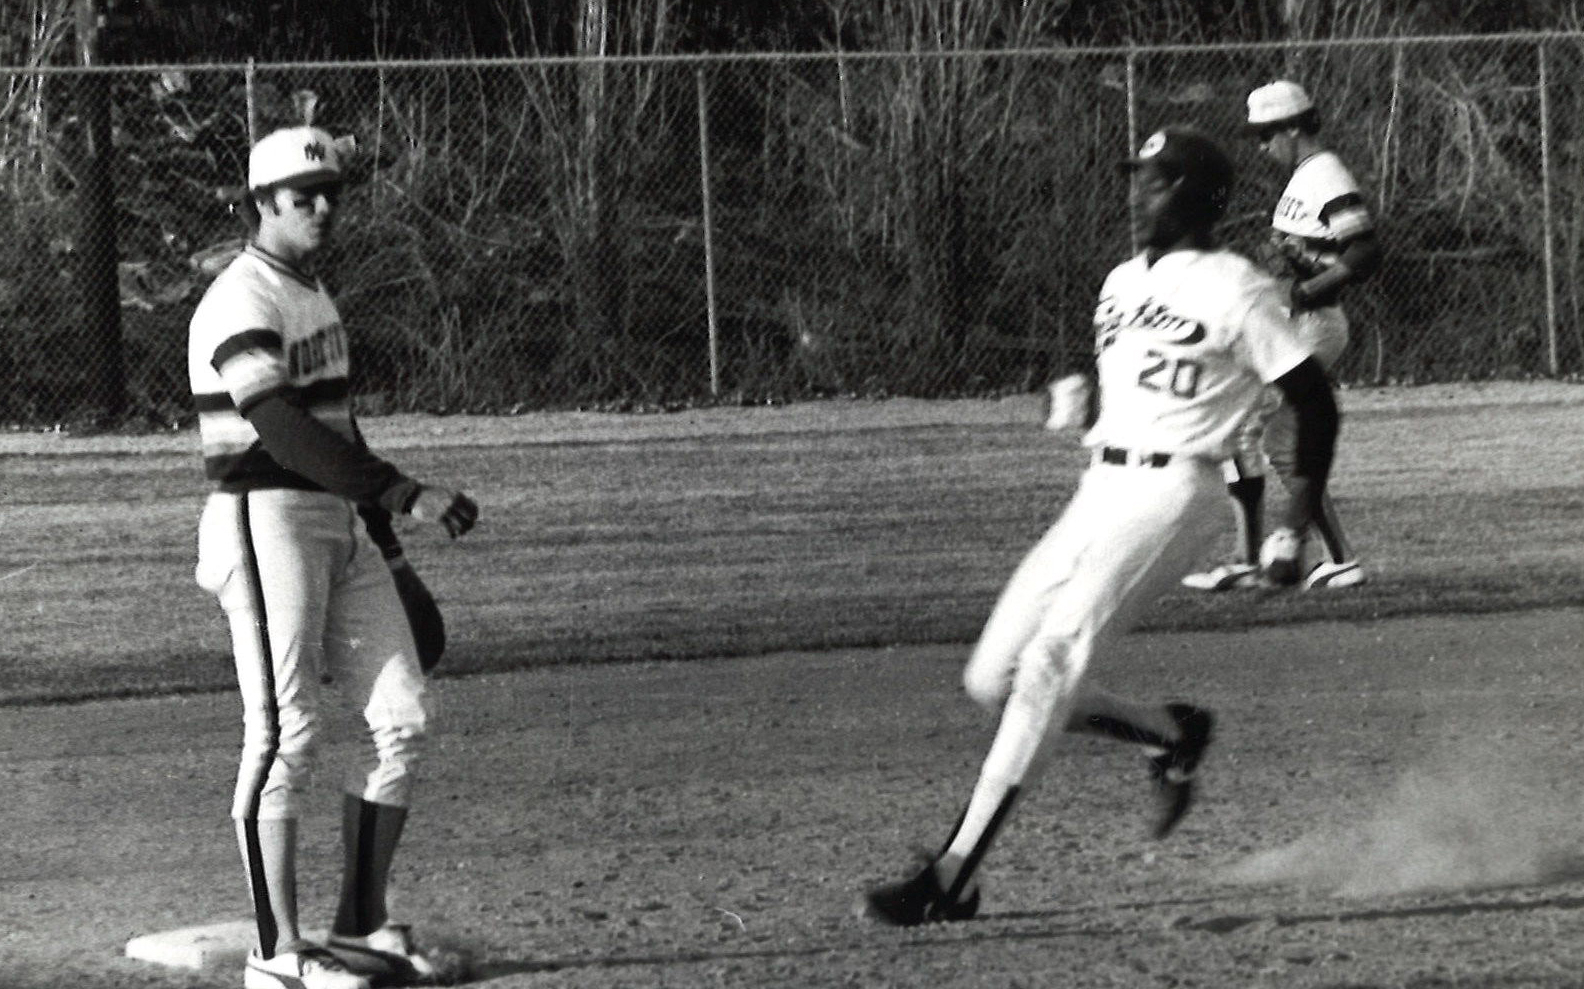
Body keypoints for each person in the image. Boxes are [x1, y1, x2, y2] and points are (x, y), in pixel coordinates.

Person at [862, 126, 1341, 925]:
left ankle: (952, 876)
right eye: (1138, 178)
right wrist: (1073, 395)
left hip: (1173, 493)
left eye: (1154, 180)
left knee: (1053, 661)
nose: (1136, 192)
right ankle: (1170, 731)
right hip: (1098, 488)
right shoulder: (1120, 279)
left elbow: (1313, 401)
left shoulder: (1239, 287)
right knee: (993, 681)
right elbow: (1133, 364)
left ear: (1192, 196)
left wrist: (1290, 529)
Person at [189, 125, 479, 989]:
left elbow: (339, 430)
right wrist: (401, 492)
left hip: (335, 520)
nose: (321, 206)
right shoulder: (239, 298)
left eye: (331, 193)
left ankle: (358, 925)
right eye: (301, 194)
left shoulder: (314, 297)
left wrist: (388, 552)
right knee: (285, 734)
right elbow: (277, 425)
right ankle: (276, 958)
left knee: (402, 717)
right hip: (262, 514)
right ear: (261, 202)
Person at [1182, 79, 1380, 592]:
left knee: (1247, 431)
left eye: (1267, 133)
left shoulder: (1325, 172)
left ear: (1294, 127)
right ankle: (1314, 558)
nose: (1261, 144)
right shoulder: (1306, 175)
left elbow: (1363, 252)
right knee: (1262, 437)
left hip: (1314, 324)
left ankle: (1276, 559)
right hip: (1299, 321)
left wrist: (1310, 287)